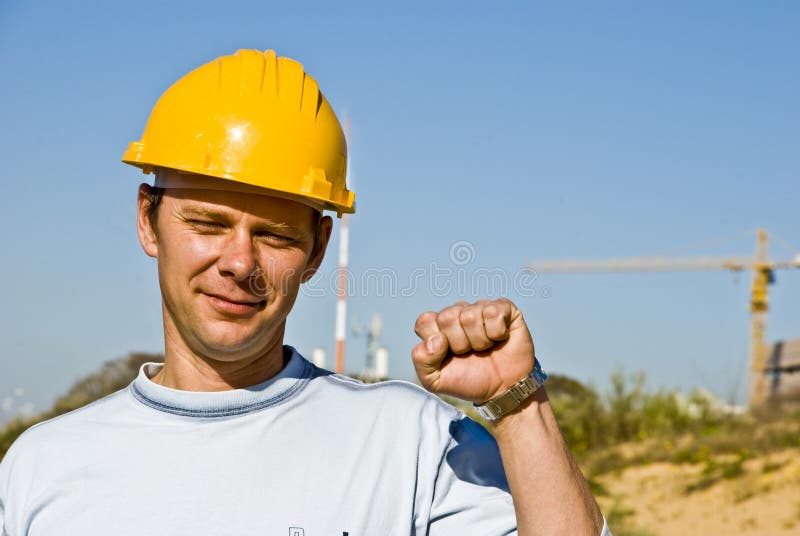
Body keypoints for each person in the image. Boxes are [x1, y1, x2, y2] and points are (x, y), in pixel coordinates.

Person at [0, 49, 610, 536]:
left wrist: (518, 406)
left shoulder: (409, 443)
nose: (239, 263)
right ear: (147, 220)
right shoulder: (42, 468)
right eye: (207, 224)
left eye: (274, 235)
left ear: (318, 249)